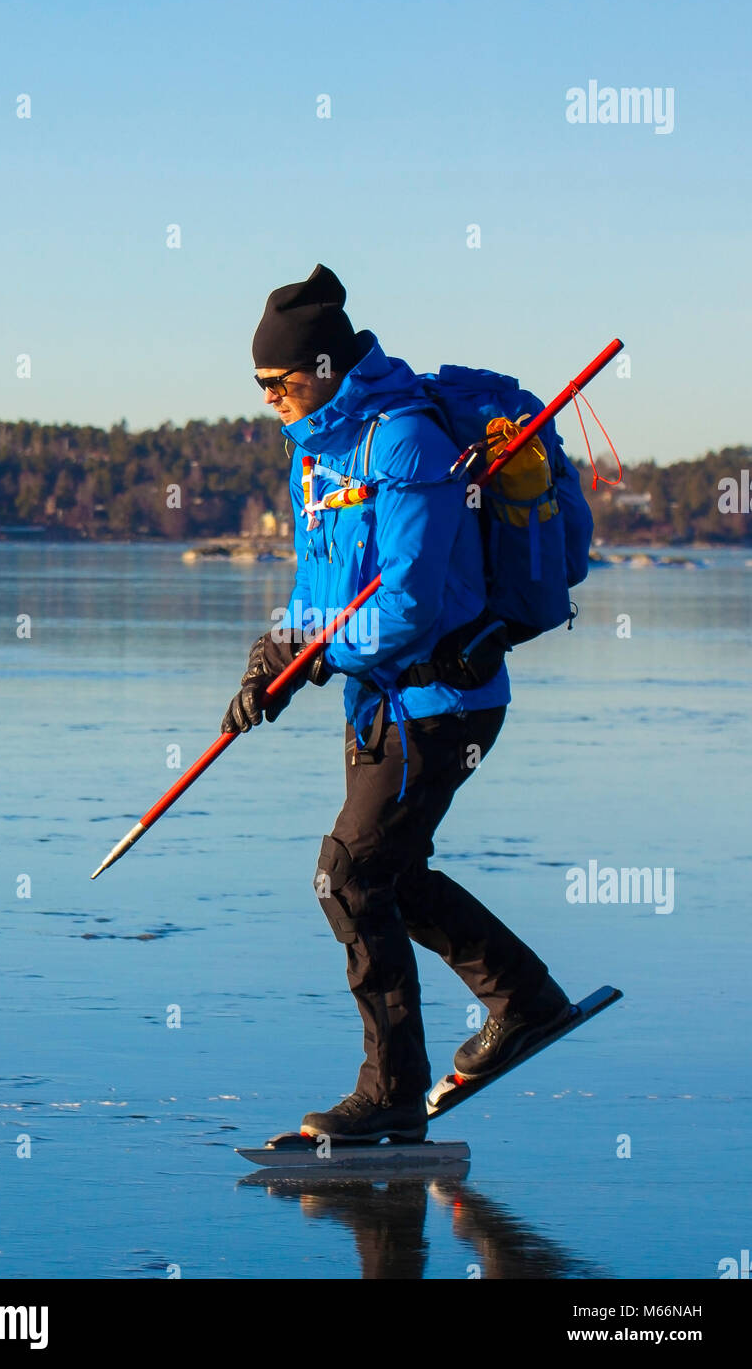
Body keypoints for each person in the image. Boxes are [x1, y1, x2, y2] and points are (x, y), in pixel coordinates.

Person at [221, 264, 570, 1143]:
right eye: (258, 383)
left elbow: (408, 608)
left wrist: (317, 658)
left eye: (279, 381)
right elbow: (323, 584)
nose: (267, 397)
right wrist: (277, 654)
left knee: (348, 875)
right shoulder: (318, 448)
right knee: (391, 875)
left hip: (442, 701)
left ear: (327, 367)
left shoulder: (408, 444)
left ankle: (390, 1094)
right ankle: (523, 1000)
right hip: (383, 709)